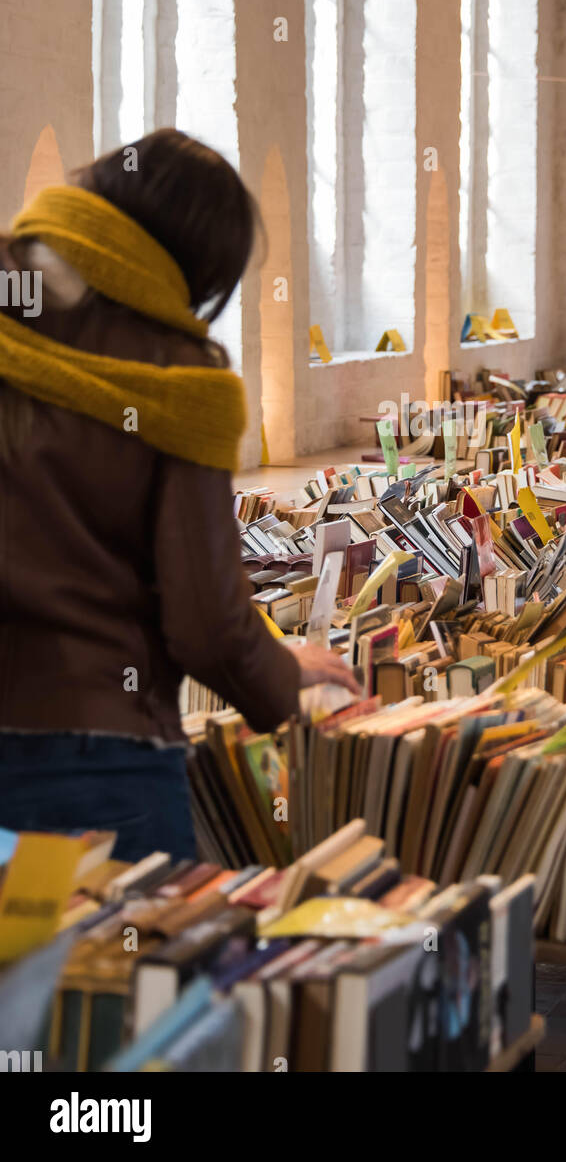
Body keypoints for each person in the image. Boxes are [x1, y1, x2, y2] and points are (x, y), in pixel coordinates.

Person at [0, 129, 359, 861]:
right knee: (128, 969)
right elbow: (203, 625)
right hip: (93, 756)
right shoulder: (182, 380)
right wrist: (284, 679)